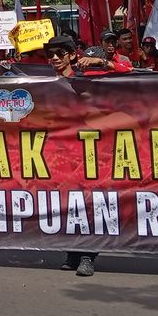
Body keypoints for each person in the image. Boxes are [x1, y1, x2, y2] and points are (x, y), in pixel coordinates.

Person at [42, 35, 131, 275]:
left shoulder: (88, 76)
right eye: (50, 54)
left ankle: (87, 256)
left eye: (60, 54)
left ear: (72, 55)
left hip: (93, 151)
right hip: (62, 154)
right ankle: (73, 253)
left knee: (92, 204)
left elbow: (128, 72)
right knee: (69, 204)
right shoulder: (45, 81)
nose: (54, 58)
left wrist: (102, 63)